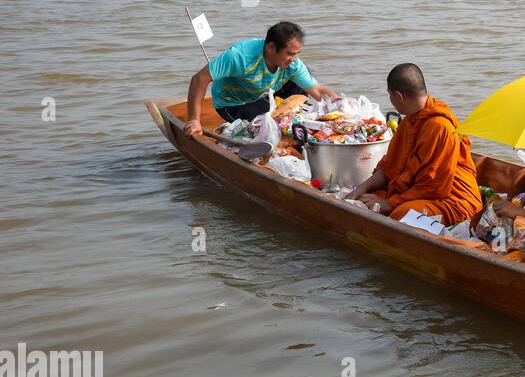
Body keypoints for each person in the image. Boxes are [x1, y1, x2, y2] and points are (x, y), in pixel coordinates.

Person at [345, 63, 484, 225]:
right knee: (366, 199)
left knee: (402, 214)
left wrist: (389, 203)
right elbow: (389, 167)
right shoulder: (410, 120)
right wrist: (362, 188)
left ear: (398, 96)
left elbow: (434, 188)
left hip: (454, 200)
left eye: (389, 95)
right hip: (416, 193)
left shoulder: (440, 126)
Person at [184, 21, 339, 136]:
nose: (294, 59)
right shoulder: (240, 56)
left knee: (299, 86)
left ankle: (291, 120)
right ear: (271, 47)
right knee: (269, 124)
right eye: (290, 54)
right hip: (234, 102)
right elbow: (199, 80)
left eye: (297, 54)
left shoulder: (292, 64)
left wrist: (341, 107)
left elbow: (317, 90)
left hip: (261, 92)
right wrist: (194, 120)